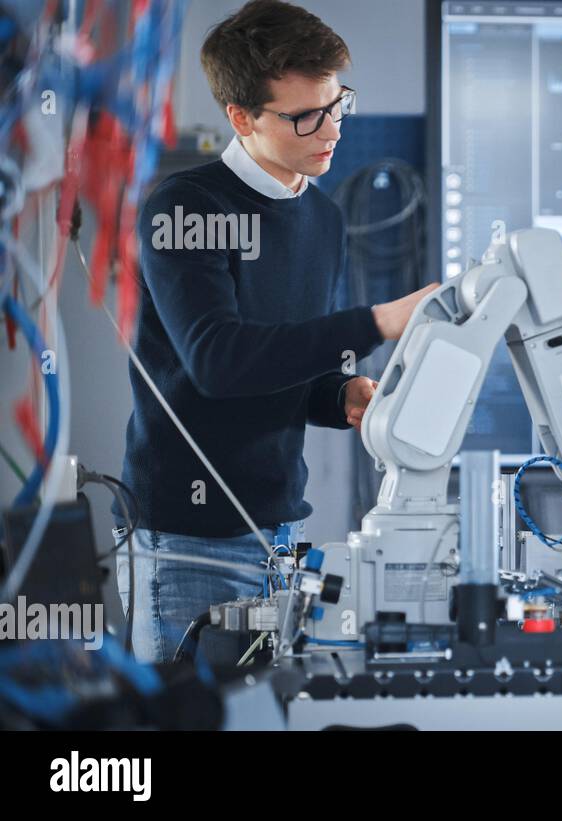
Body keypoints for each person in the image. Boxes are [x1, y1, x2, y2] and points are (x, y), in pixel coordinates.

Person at [112, 0, 435, 662]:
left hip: (280, 529)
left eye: (337, 102)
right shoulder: (184, 208)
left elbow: (290, 365)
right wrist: (377, 321)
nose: (332, 129)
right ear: (241, 117)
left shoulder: (320, 218)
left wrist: (340, 393)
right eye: (305, 116)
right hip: (183, 538)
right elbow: (220, 361)